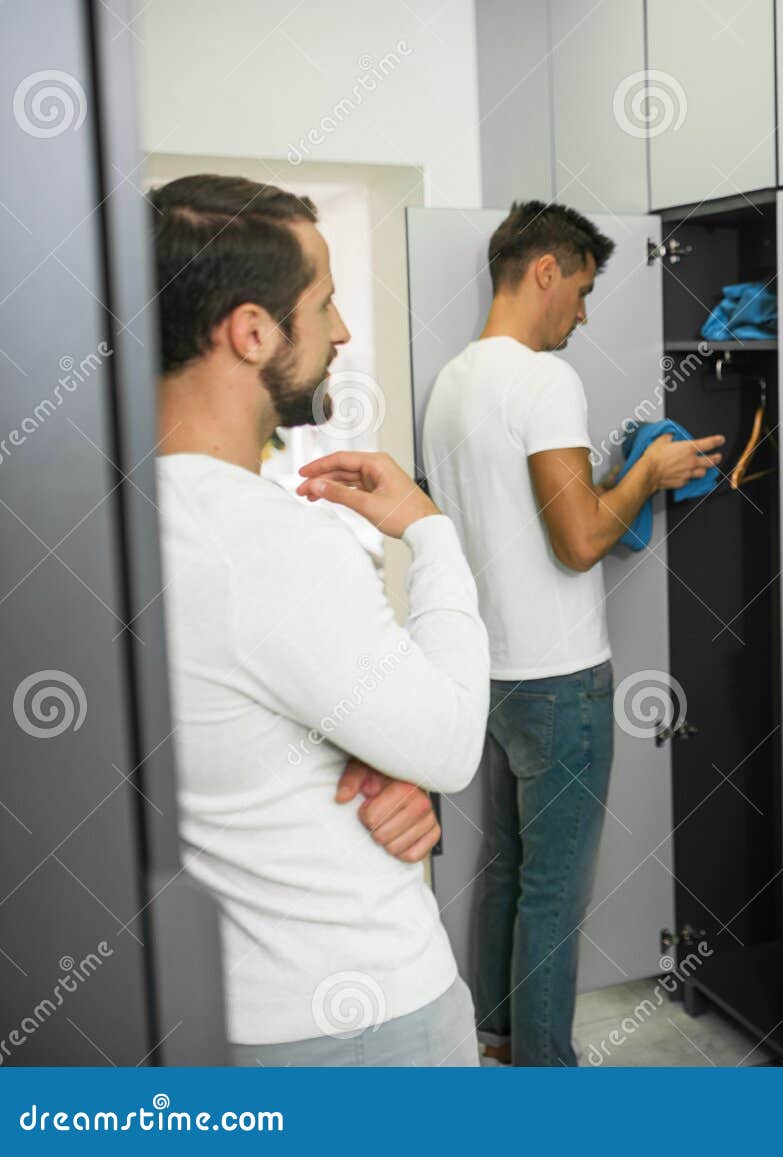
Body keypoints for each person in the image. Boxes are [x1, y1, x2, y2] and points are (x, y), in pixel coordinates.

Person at [149, 174, 490, 1065]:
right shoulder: (268, 546)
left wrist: (377, 755)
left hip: (215, 1020)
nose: (340, 330)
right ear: (252, 330)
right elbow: (451, 740)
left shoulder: (91, 523)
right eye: (325, 303)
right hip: (363, 1023)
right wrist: (431, 530)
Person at [421, 201, 723, 1067]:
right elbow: (581, 537)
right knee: (554, 892)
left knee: (509, 873)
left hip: (492, 675)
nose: (585, 313)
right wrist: (648, 475)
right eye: (583, 290)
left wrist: (601, 478)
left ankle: (499, 1040)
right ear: (544, 270)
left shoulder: (452, 383)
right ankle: (546, 1075)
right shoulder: (545, 381)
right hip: (560, 682)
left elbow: (518, 514)